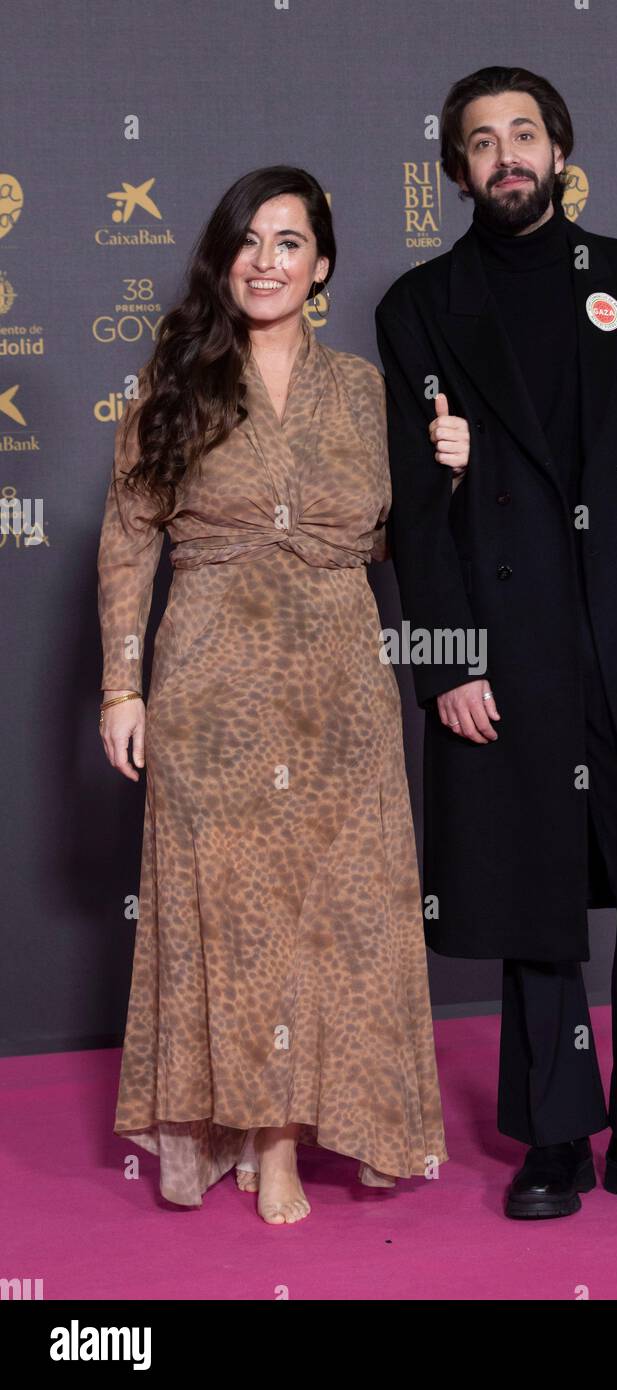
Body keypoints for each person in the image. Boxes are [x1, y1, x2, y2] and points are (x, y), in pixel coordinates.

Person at [375, 67, 617, 1219]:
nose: (504, 155)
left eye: (522, 133)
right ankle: (554, 1139)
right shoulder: (419, 305)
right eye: (479, 142)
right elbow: (418, 512)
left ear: (560, 149)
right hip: (505, 638)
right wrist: (447, 657)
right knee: (532, 888)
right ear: (456, 169)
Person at [97, 166, 468, 1224]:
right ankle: (268, 1145)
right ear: (223, 260)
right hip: (211, 682)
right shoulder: (175, 383)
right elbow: (127, 546)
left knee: (339, 909)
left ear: (323, 265)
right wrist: (122, 686)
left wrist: (446, 469)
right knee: (242, 914)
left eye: (289, 241)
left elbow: (390, 534)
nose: (266, 260)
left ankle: (332, 1124)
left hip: (339, 683)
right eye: (248, 240)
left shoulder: (362, 387)